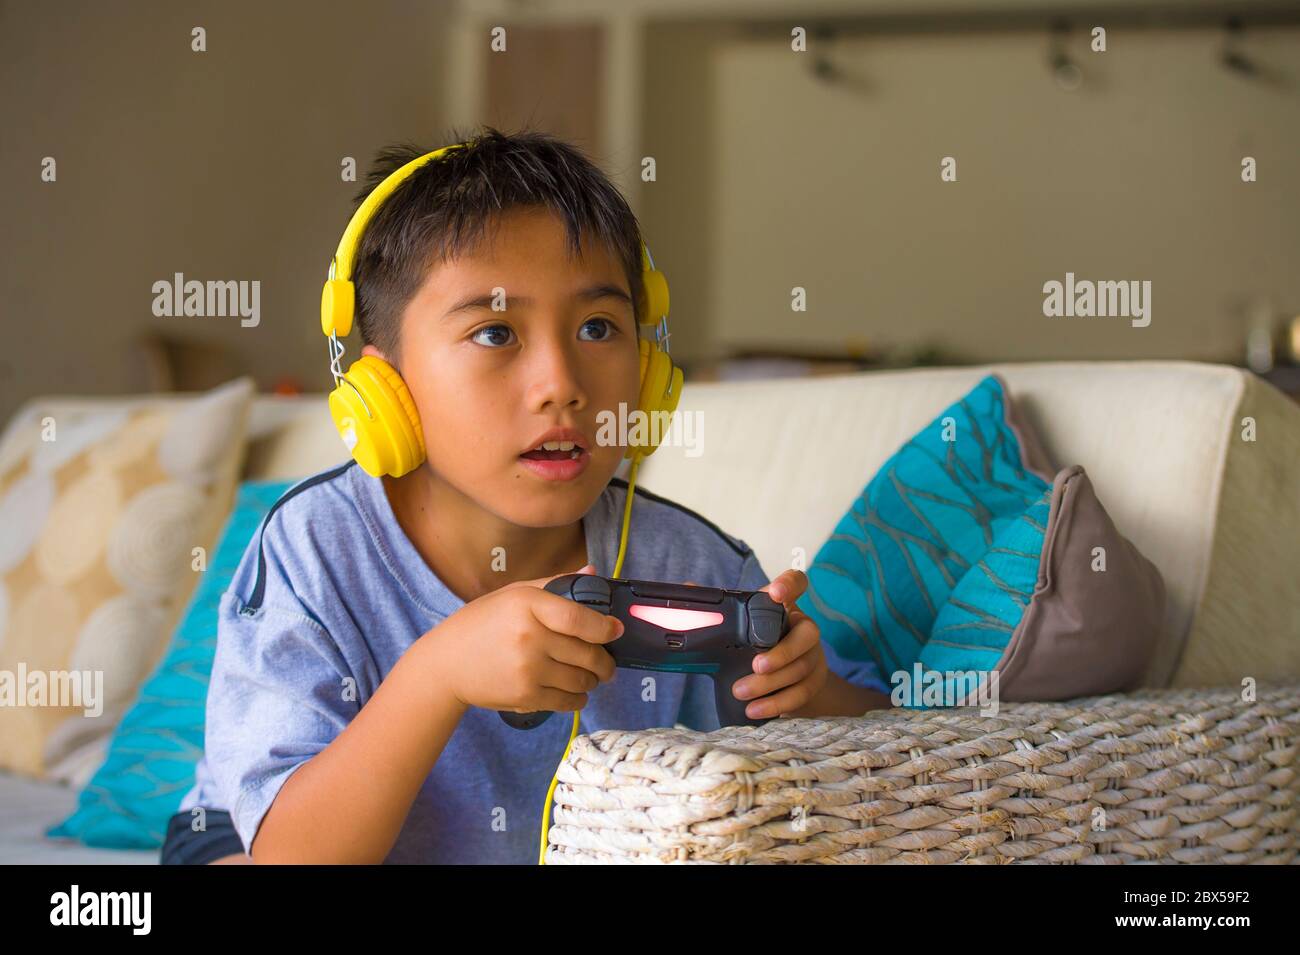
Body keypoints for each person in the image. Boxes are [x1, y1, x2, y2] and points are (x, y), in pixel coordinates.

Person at [161, 127, 891, 865]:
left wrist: (813, 688)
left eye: (598, 326)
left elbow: (883, 753)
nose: (561, 384)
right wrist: (438, 674)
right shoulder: (315, 547)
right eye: (495, 332)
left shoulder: (692, 561)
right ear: (384, 390)